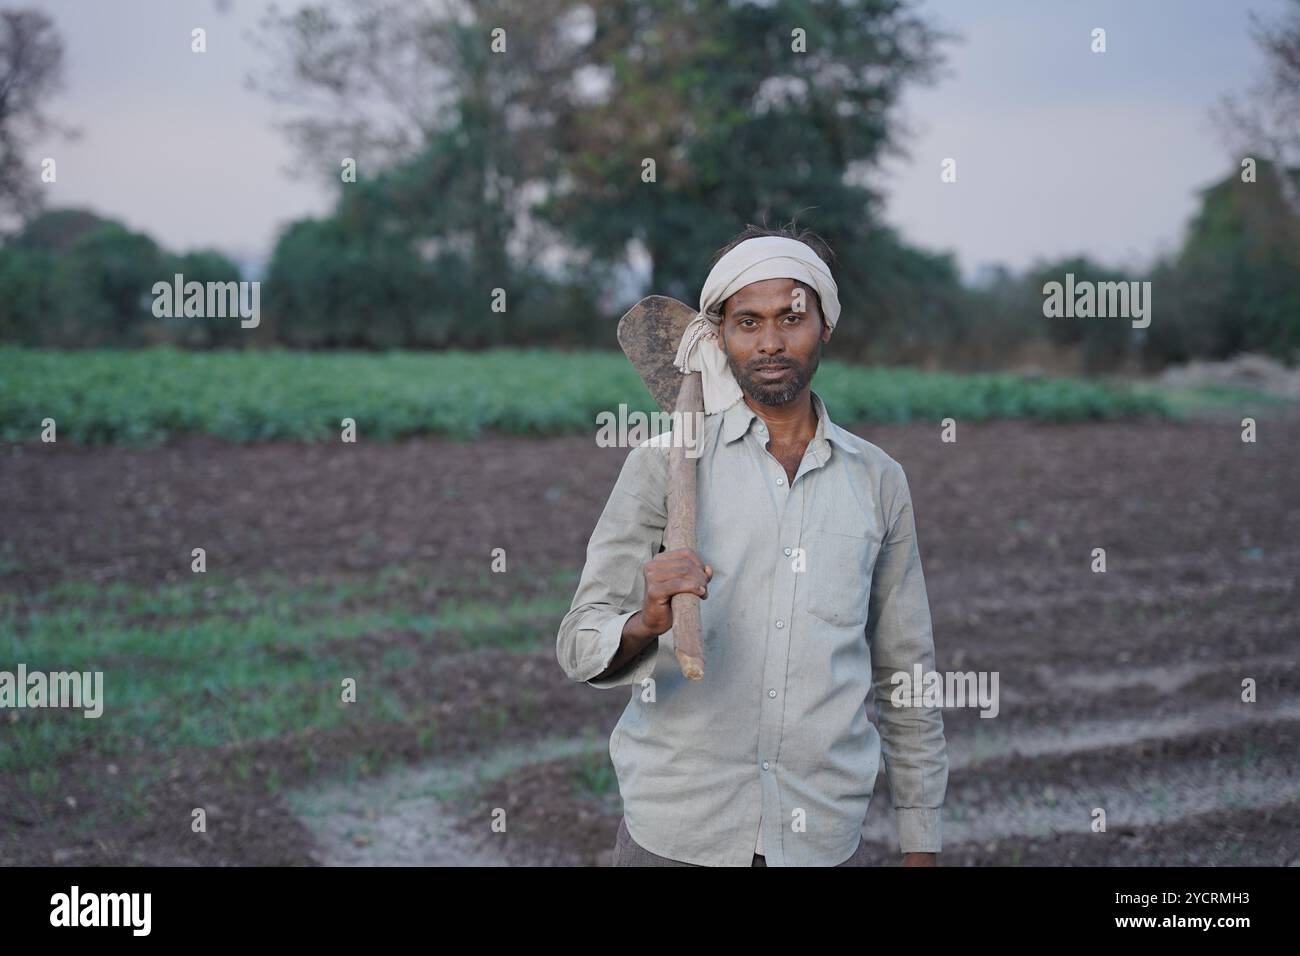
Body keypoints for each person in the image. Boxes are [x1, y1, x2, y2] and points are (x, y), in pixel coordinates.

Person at [556, 222, 949, 866]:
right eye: (747, 322)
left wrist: (920, 841)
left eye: (791, 318)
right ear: (721, 336)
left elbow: (906, 673)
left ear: (825, 325)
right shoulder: (663, 465)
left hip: (819, 837)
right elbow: (578, 641)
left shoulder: (878, 481)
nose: (771, 342)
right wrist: (644, 621)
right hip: (676, 836)